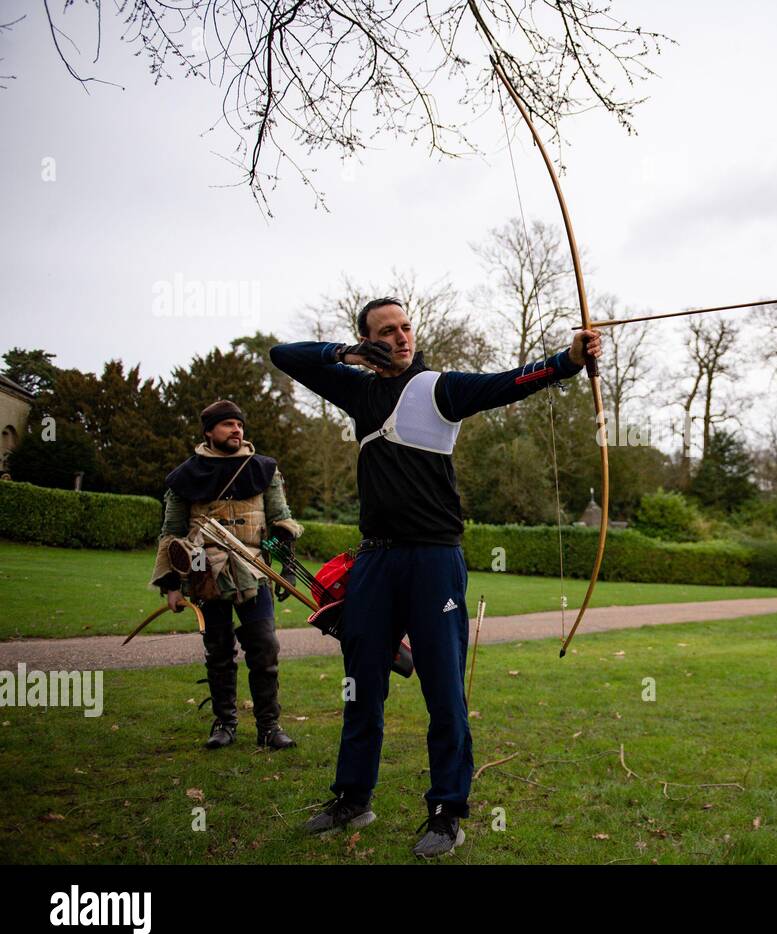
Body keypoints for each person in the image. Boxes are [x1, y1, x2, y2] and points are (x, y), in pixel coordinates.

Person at [270, 297, 602, 859]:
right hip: (374, 561)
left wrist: (567, 360)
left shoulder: (438, 388)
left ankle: (448, 811)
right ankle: (353, 797)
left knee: (443, 688)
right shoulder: (357, 391)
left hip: (433, 559)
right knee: (361, 685)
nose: (400, 337)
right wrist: (345, 354)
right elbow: (285, 355)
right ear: (368, 341)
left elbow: (511, 382)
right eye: (385, 332)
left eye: (404, 328)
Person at [150, 400, 302, 750]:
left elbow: (282, 522)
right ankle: (225, 724)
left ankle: (269, 726)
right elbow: (171, 535)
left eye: (239, 424)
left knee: (265, 647)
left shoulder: (264, 469)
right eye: (227, 425)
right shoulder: (184, 476)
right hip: (206, 572)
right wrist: (172, 586)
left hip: (255, 571)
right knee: (218, 650)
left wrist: (288, 569)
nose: (236, 430)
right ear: (208, 432)